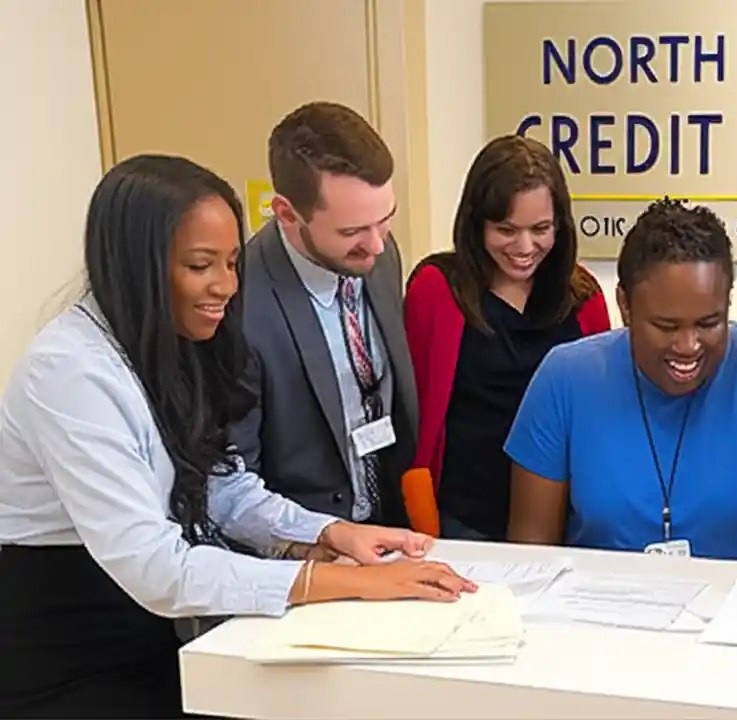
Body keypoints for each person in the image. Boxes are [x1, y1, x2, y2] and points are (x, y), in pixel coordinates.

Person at [0, 155, 474, 718]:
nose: (225, 286)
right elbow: (155, 567)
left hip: (157, 629)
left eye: (231, 262)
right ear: (136, 267)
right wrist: (346, 583)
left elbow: (221, 484)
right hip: (67, 638)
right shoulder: (70, 371)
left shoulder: (176, 339)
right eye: (201, 265)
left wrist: (329, 532)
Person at [504, 198, 737, 561]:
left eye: (709, 323)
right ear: (625, 307)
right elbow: (530, 553)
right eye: (666, 326)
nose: (688, 346)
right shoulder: (563, 378)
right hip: (595, 611)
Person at [403, 135, 610, 540]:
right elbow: (415, 413)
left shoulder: (584, 297)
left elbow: (601, 414)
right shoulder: (437, 289)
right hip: (462, 519)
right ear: (476, 223)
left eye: (541, 229)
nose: (525, 247)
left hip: (563, 521)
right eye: (506, 229)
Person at [231, 101, 417, 528]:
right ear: (287, 213)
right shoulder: (242, 300)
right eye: (351, 232)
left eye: (385, 219)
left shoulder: (382, 256)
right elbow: (233, 482)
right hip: (301, 548)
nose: (375, 245)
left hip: (387, 523)